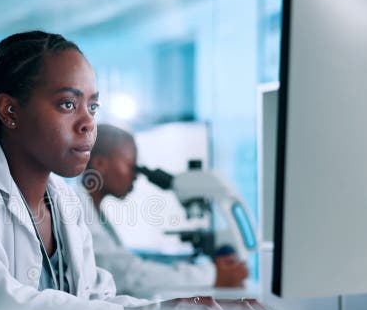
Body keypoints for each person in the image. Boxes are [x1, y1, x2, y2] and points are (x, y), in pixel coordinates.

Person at [0, 30, 228, 310]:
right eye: (68, 104)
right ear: (10, 111)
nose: (88, 124)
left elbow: (97, 301)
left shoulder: (64, 201)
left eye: (93, 107)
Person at [78, 124, 249, 299]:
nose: (136, 176)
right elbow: (129, 276)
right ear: (100, 164)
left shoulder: (92, 210)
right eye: (132, 167)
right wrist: (212, 277)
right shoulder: (78, 213)